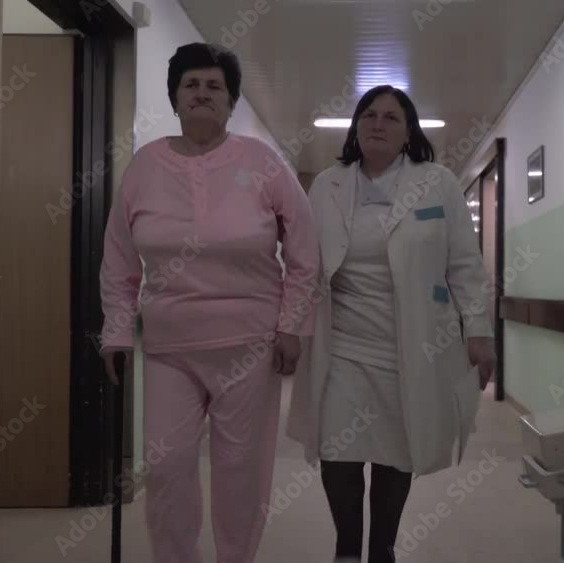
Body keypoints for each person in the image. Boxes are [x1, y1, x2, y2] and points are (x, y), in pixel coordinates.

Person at [98, 43, 319, 563]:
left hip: (249, 343)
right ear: (175, 97)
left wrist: (293, 325)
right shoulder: (145, 167)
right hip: (170, 346)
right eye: (191, 84)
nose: (202, 92)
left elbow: (304, 247)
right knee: (167, 464)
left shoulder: (261, 162)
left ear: (231, 100)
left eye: (214, 85)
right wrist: (115, 329)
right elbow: (118, 259)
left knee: (240, 468)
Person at [286, 85, 496, 563]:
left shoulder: (437, 182)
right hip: (341, 344)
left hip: (411, 345)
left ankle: (382, 549)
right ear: (356, 128)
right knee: (337, 449)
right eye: (369, 116)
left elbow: (464, 263)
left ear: (408, 133)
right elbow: (303, 262)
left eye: (391, 118)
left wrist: (478, 331)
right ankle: (346, 550)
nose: (378, 124)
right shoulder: (327, 184)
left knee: (395, 453)